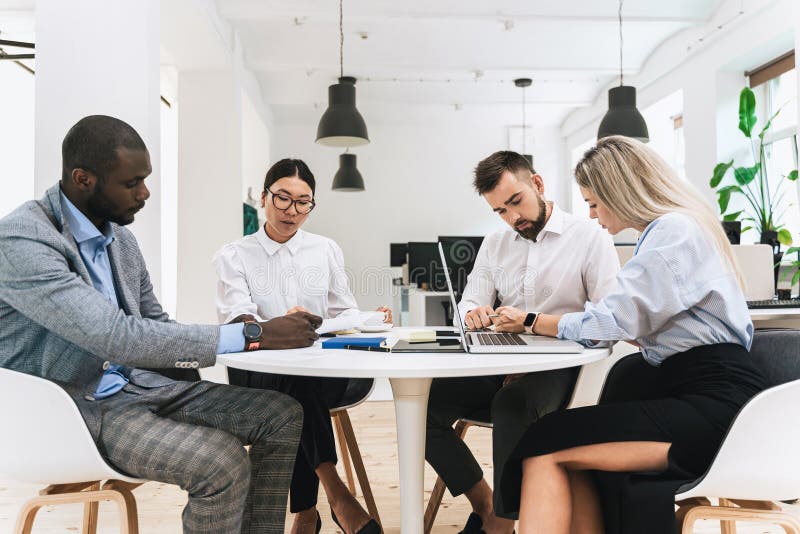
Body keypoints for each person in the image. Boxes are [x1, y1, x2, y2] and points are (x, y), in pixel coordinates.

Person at [0, 115, 323, 534]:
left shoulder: (121, 239)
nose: (145, 192)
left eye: (145, 179)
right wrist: (255, 334)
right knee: (221, 462)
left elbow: (154, 322)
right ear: (84, 179)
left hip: (140, 389)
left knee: (280, 414)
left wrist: (198, 394)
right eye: (132, 182)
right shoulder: (23, 241)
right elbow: (114, 337)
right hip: (76, 411)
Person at [501, 136, 767, 534]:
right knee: (561, 447)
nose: (591, 215)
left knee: (544, 445)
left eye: (593, 202)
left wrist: (532, 321)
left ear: (620, 192)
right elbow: (639, 321)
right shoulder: (675, 229)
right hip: (705, 392)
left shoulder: (672, 233)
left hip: (713, 406)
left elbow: (613, 321)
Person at [425, 151, 619, 533]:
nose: (512, 218)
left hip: (561, 369)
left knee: (511, 405)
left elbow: (607, 324)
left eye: (515, 202)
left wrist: (532, 325)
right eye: (500, 210)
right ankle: (485, 503)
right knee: (426, 404)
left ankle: (503, 522)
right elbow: (469, 301)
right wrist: (473, 314)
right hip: (500, 363)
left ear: (538, 184)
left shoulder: (590, 238)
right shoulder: (496, 243)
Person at [213, 158, 388, 534]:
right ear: (264, 197)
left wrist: (364, 319)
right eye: (282, 198)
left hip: (322, 371)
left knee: (298, 388)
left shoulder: (325, 249)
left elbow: (345, 311)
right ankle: (336, 492)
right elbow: (238, 320)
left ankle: (308, 513)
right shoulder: (235, 254)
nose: (292, 210)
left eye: (303, 202)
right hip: (258, 374)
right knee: (292, 386)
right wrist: (279, 328)